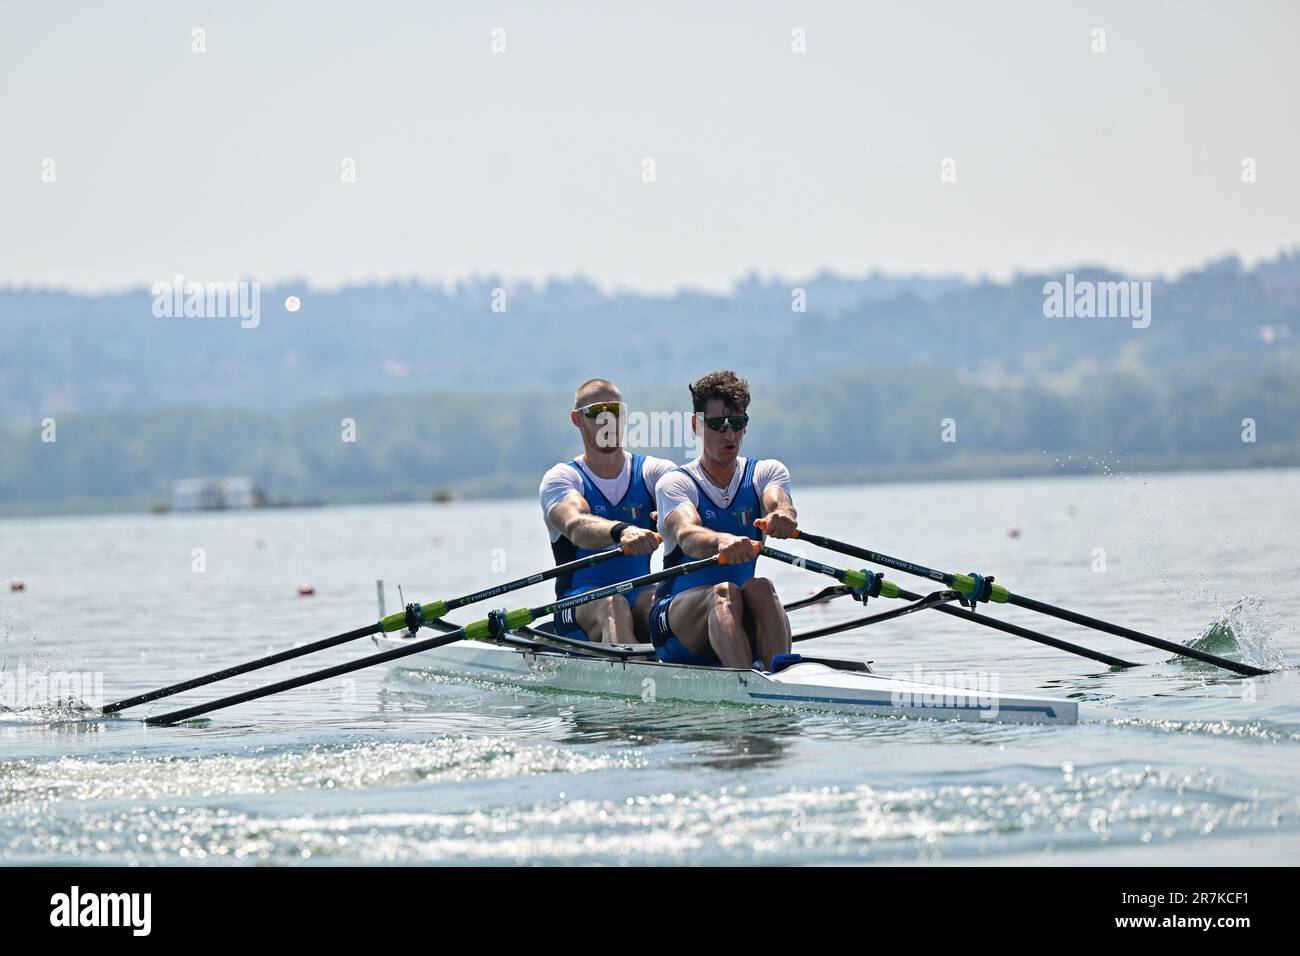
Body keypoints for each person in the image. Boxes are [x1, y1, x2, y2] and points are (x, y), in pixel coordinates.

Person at [650, 370, 797, 669]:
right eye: (717, 425)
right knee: (724, 591)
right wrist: (720, 541)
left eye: (738, 424)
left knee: (761, 588)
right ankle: (745, 684)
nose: (729, 436)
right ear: (696, 425)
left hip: (735, 618)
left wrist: (783, 516)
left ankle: (784, 676)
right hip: (675, 626)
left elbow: (778, 501)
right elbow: (687, 533)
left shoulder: (766, 472)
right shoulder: (676, 483)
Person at [539, 379, 674, 643]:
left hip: (638, 593)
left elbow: (691, 498)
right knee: (612, 603)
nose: (608, 419)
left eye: (615, 410)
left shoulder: (654, 472)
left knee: (660, 602)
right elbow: (576, 526)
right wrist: (620, 531)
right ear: (577, 419)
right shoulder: (563, 478)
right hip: (578, 603)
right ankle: (634, 677)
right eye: (597, 411)